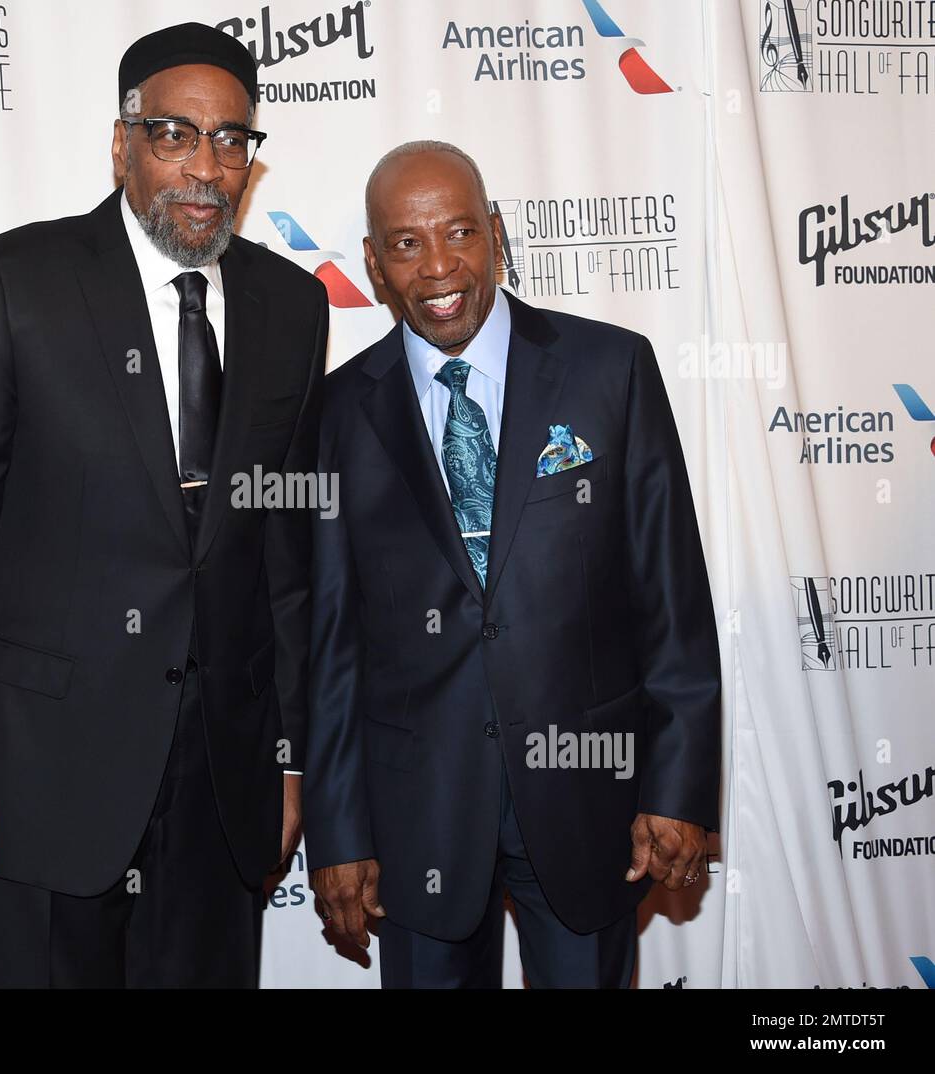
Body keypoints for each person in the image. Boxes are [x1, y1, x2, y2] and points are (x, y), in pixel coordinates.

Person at [0, 22, 328, 988]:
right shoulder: (16, 283)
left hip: (223, 781)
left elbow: (286, 558)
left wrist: (288, 757)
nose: (205, 165)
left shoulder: (294, 306)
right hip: (46, 778)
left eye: (230, 140)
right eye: (176, 134)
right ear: (122, 142)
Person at [304, 141, 721, 988]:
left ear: (494, 231)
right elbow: (331, 647)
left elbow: (671, 601)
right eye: (407, 243)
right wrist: (339, 833)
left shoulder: (612, 370)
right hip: (417, 818)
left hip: (588, 800)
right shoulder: (338, 414)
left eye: (459, 231)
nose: (439, 266)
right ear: (376, 266)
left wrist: (677, 786)